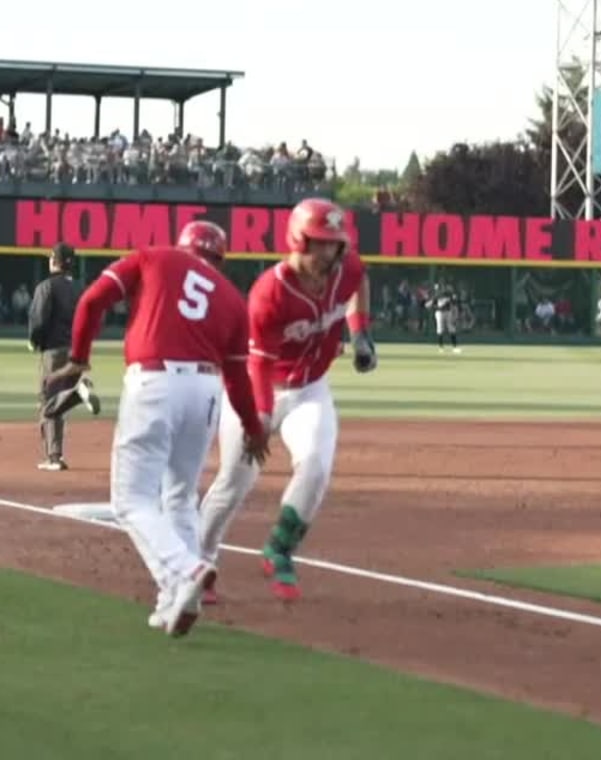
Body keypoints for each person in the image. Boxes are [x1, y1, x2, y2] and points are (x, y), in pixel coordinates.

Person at [48, 220, 270, 637]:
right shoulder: (231, 298)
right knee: (180, 497)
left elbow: (94, 299)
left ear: (183, 245)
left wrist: (79, 355)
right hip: (207, 391)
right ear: (220, 259)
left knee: (131, 500)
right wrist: (254, 428)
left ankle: (186, 570)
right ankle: (174, 601)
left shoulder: (154, 256)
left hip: (154, 381)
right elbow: (239, 380)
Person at [196, 197, 377, 603]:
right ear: (298, 240)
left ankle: (279, 549)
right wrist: (257, 419)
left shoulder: (344, 269)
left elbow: (359, 279)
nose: (327, 252)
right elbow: (258, 364)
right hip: (256, 389)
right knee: (235, 482)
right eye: (319, 243)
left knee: (315, 467)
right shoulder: (269, 294)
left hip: (310, 389)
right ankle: (197, 562)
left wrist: (360, 330)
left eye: (333, 243)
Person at [27, 242, 99, 471]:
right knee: (58, 402)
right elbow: (95, 319)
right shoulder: (81, 288)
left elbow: (39, 319)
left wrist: (34, 340)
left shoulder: (46, 287)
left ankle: (53, 457)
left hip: (54, 352)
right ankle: (55, 455)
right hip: (77, 352)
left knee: (48, 402)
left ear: (53, 260)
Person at [428, 282, 461, 353]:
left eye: (439, 287)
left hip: (448, 312)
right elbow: (430, 304)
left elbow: (454, 302)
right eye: (437, 287)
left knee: (451, 328)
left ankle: (455, 347)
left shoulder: (448, 294)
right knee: (440, 329)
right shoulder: (435, 295)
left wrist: (454, 312)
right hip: (439, 313)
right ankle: (441, 347)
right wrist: (434, 305)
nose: (438, 288)